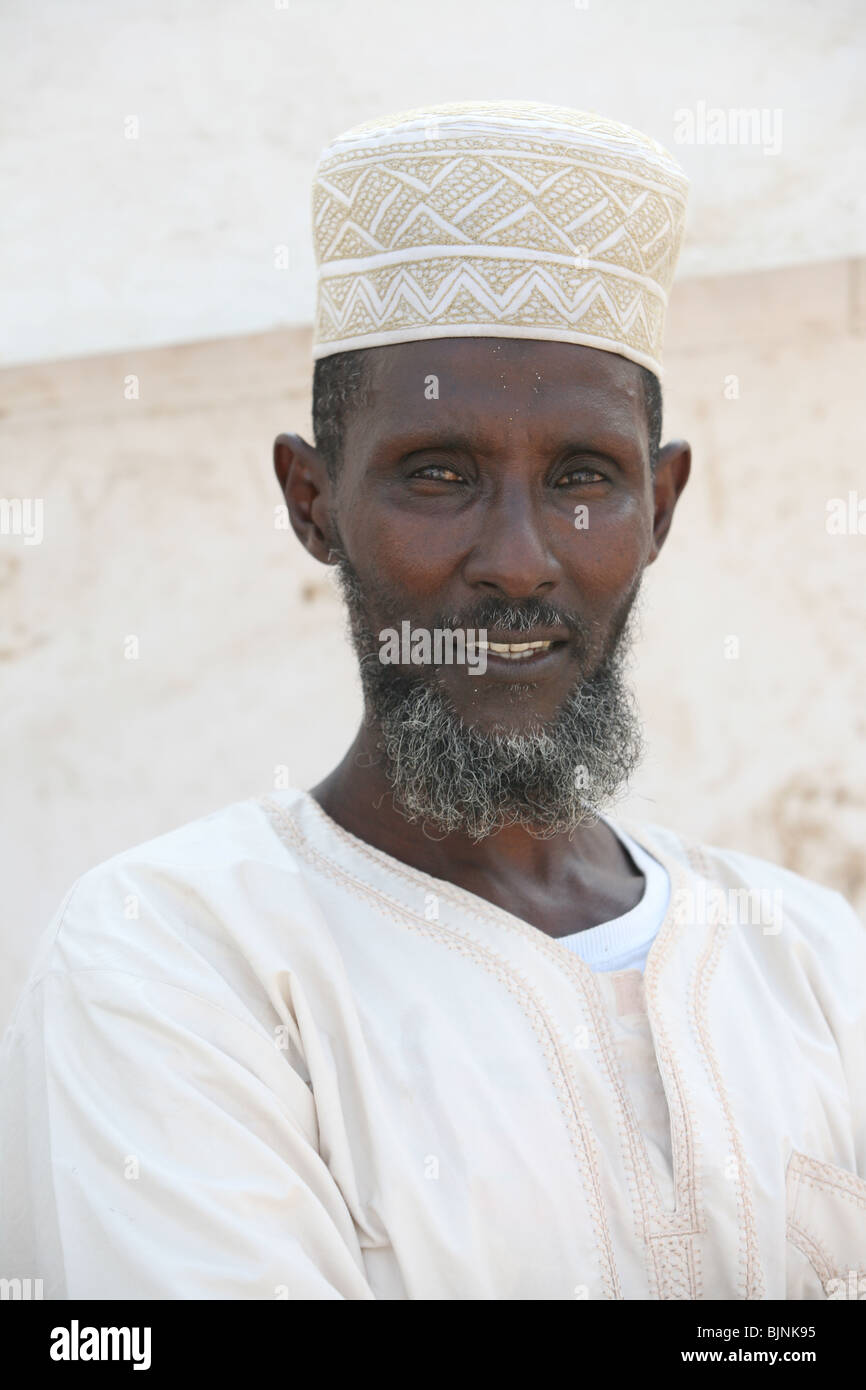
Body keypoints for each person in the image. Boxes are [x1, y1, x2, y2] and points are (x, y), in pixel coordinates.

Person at [2, 100, 864, 1301]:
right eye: (437, 473)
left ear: (658, 508)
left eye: (582, 478)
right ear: (312, 502)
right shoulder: (177, 956)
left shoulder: (815, 960)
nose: (518, 559)